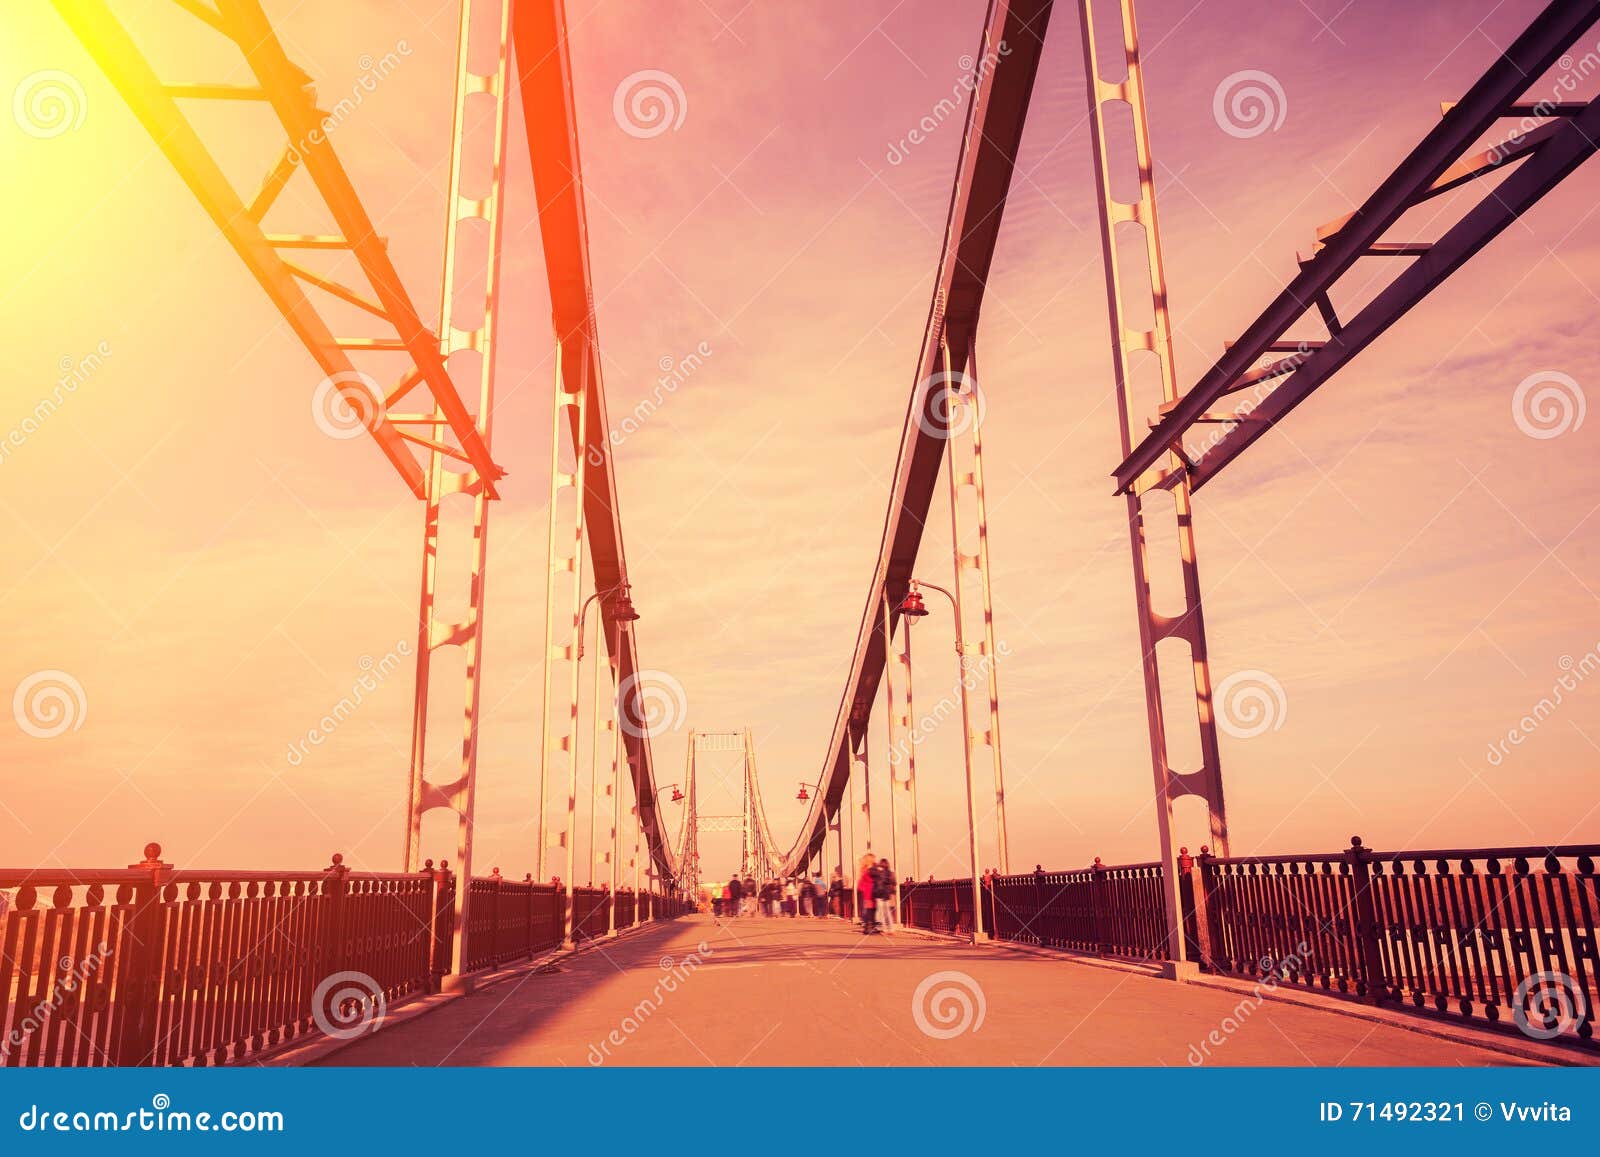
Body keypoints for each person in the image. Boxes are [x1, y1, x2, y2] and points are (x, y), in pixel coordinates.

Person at [873, 857, 897, 934]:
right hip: (887, 894)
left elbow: (877, 883)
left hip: (880, 894)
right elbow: (894, 882)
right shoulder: (890, 872)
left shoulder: (880, 873)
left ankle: (884, 928)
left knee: (881, 912)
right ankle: (891, 928)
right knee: (888, 912)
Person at [856, 853, 878, 934]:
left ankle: (869, 927)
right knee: (869, 910)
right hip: (870, 892)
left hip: (869, 892)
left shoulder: (865, 869)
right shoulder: (870, 869)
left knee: (870, 910)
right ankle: (869, 927)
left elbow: (861, 880)